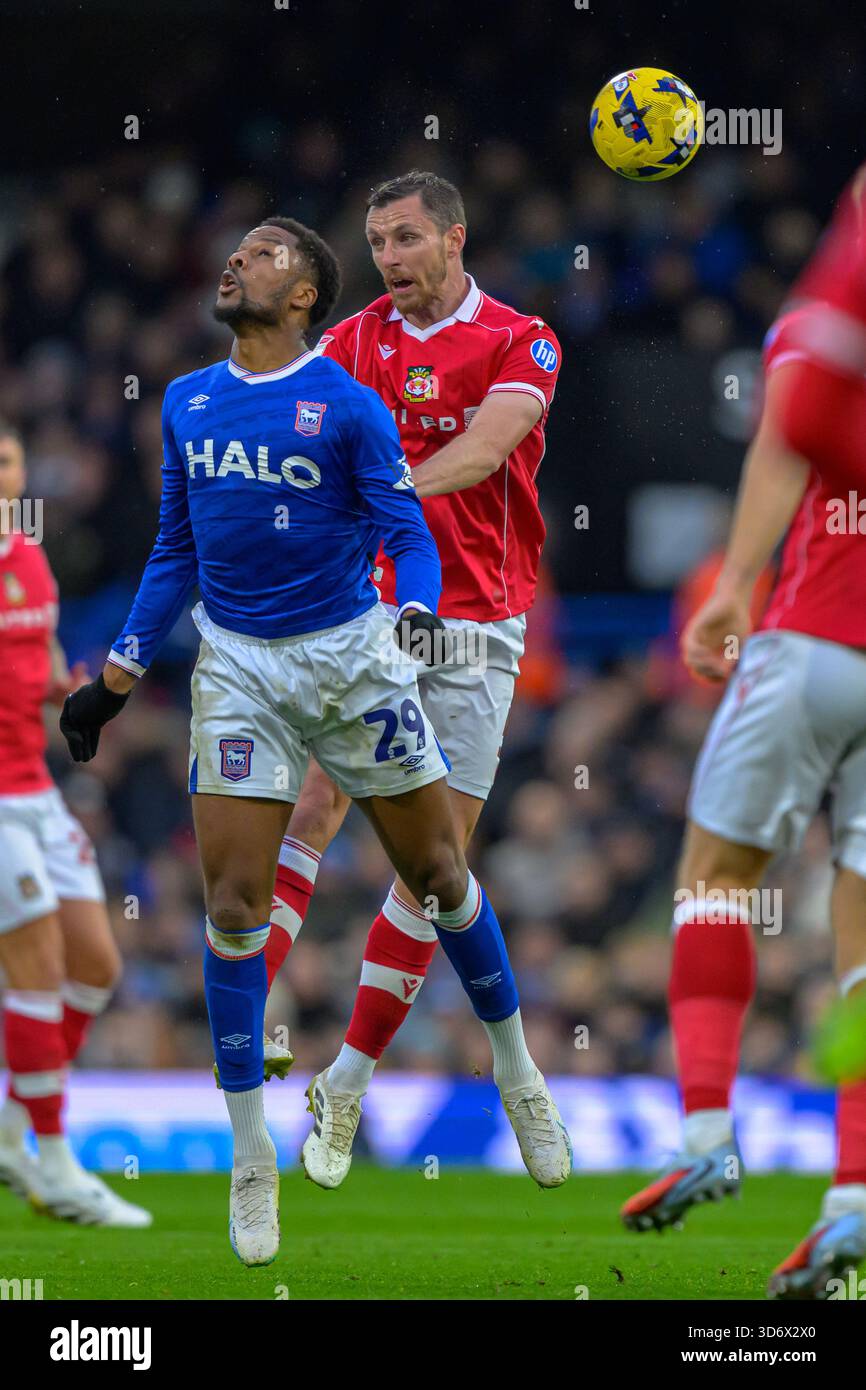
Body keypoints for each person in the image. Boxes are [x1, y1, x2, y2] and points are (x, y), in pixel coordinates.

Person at [60, 215, 571, 1267]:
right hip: (261, 657)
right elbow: (175, 544)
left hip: (417, 638)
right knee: (238, 900)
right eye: (374, 238)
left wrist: (399, 567)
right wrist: (116, 673)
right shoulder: (219, 389)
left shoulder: (422, 373)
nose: (235, 257)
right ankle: (257, 1152)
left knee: (438, 872)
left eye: (262, 252)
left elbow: (428, 497)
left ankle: (507, 1071)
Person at [255, 171, 565, 1191]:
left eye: (403, 238)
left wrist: (374, 484)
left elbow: (481, 452)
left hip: (478, 626)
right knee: (313, 793)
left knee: (435, 876)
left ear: (453, 237)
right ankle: (252, 1008)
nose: (387, 258)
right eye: (374, 242)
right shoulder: (350, 343)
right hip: (373, 611)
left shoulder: (522, 341)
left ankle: (349, 1084)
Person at [620, 170, 866, 1300]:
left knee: (714, 879)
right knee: (860, 949)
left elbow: (786, 435)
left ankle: (706, 1128)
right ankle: (852, 1199)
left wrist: (733, 585)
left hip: (814, 639)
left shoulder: (828, 317)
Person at [0, 420, 150, 1227]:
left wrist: (67, 686)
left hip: (33, 790)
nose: (2, 474)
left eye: (9, 459)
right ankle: (53, 1166)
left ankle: (12, 1132)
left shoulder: (27, 558)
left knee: (92, 967)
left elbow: (38, 657)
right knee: (33, 965)